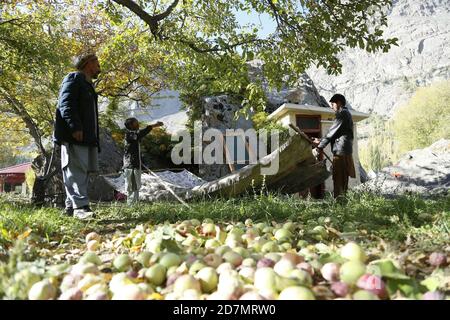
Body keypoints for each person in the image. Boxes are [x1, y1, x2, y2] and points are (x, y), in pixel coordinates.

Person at [53, 53, 101, 219]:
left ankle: (71, 207)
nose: (99, 67)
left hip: (87, 137)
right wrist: (74, 126)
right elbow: (65, 104)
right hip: (75, 135)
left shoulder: (87, 85)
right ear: (88, 64)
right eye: (97, 63)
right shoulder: (73, 79)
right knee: (76, 170)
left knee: (81, 171)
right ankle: (81, 208)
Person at [313, 94, 356, 198]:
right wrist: (320, 140)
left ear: (339, 103)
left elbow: (331, 133)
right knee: (342, 179)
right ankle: (342, 201)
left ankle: (339, 203)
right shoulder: (346, 114)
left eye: (332, 104)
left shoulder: (342, 114)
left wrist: (319, 148)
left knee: (338, 178)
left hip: (340, 152)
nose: (331, 106)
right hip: (344, 151)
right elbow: (335, 134)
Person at [123, 118, 164, 204]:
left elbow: (140, 134)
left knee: (136, 185)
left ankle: (135, 204)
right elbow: (140, 134)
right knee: (130, 186)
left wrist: (152, 126)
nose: (138, 124)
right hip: (129, 165)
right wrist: (153, 126)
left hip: (136, 164)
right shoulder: (128, 135)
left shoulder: (135, 134)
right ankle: (131, 205)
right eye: (135, 123)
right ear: (130, 125)